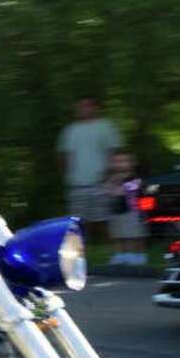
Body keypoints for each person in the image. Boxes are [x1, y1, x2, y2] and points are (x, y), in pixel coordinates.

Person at [57, 97, 121, 245]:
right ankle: (82, 251)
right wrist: (67, 175)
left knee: (106, 219)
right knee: (78, 221)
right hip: (77, 184)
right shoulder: (71, 130)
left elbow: (115, 152)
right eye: (81, 106)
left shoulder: (106, 126)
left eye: (88, 106)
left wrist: (110, 174)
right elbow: (63, 155)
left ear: (95, 108)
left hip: (102, 182)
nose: (84, 109)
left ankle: (111, 250)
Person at [103, 150, 147, 265]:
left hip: (133, 211)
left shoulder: (135, 178)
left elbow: (123, 191)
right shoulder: (110, 178)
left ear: (132, 163)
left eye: (124, 161)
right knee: (117, 234)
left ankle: (137, 256)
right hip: (116, 211)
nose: (120, 164)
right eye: (116, 161)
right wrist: (112, 185)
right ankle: (120, 255)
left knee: (133, 235)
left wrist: (115, 188)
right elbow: (107, 190)